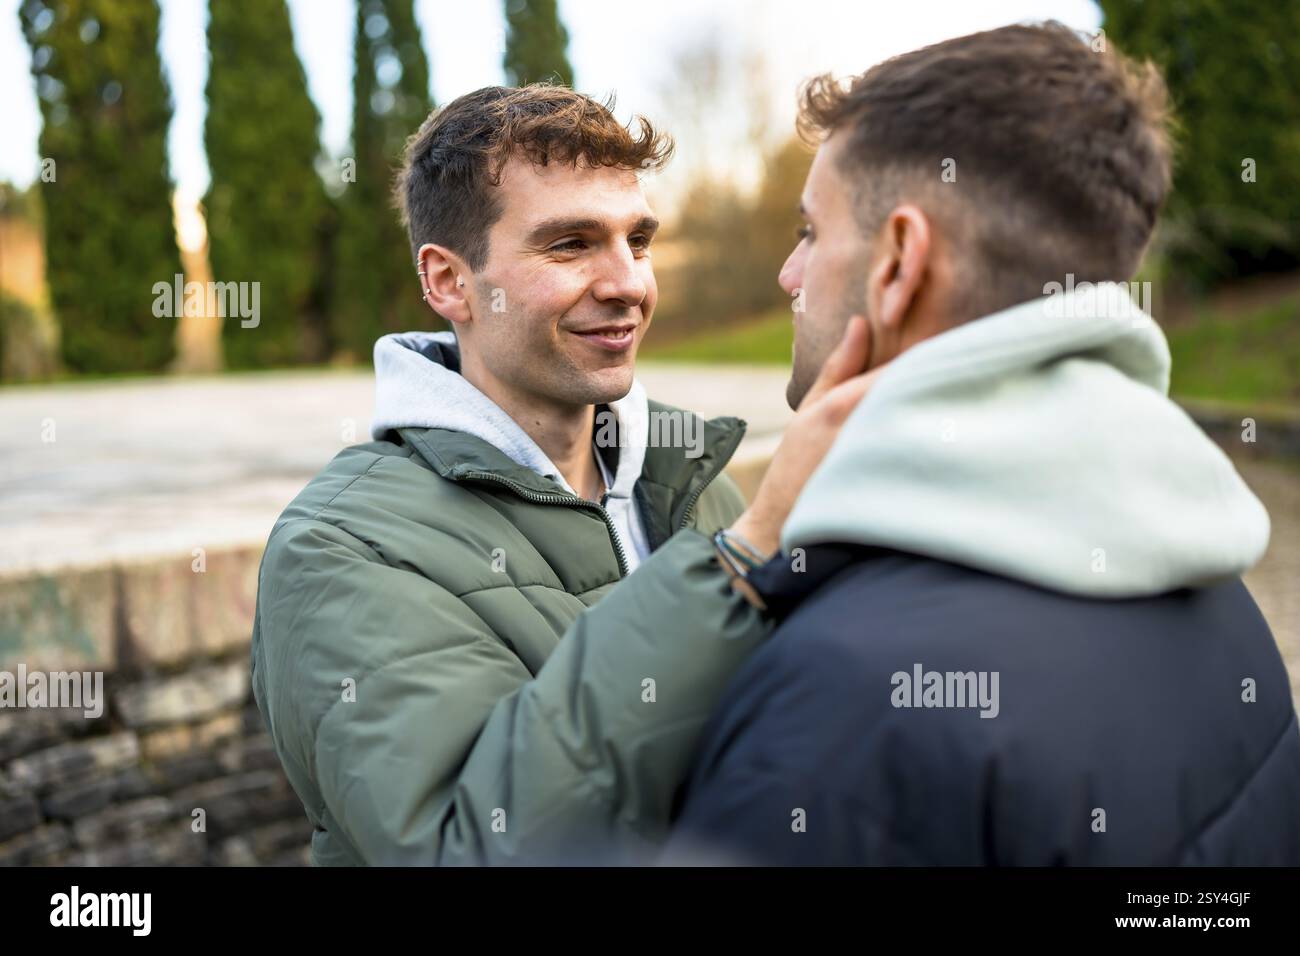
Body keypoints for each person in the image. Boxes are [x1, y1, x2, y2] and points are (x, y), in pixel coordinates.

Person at [666, 22, 1300, 866]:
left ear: (898, 263)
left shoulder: (843, 706)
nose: (789, 274)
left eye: (810, 232)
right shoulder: (1217, 586)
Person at [250, 84, 873, 865]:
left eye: (637, 241)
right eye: (571, 245)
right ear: (448, 282)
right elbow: (470, 847)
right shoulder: (341, 548)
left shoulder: (695, 478)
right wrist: (740, 568)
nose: (628, 284)